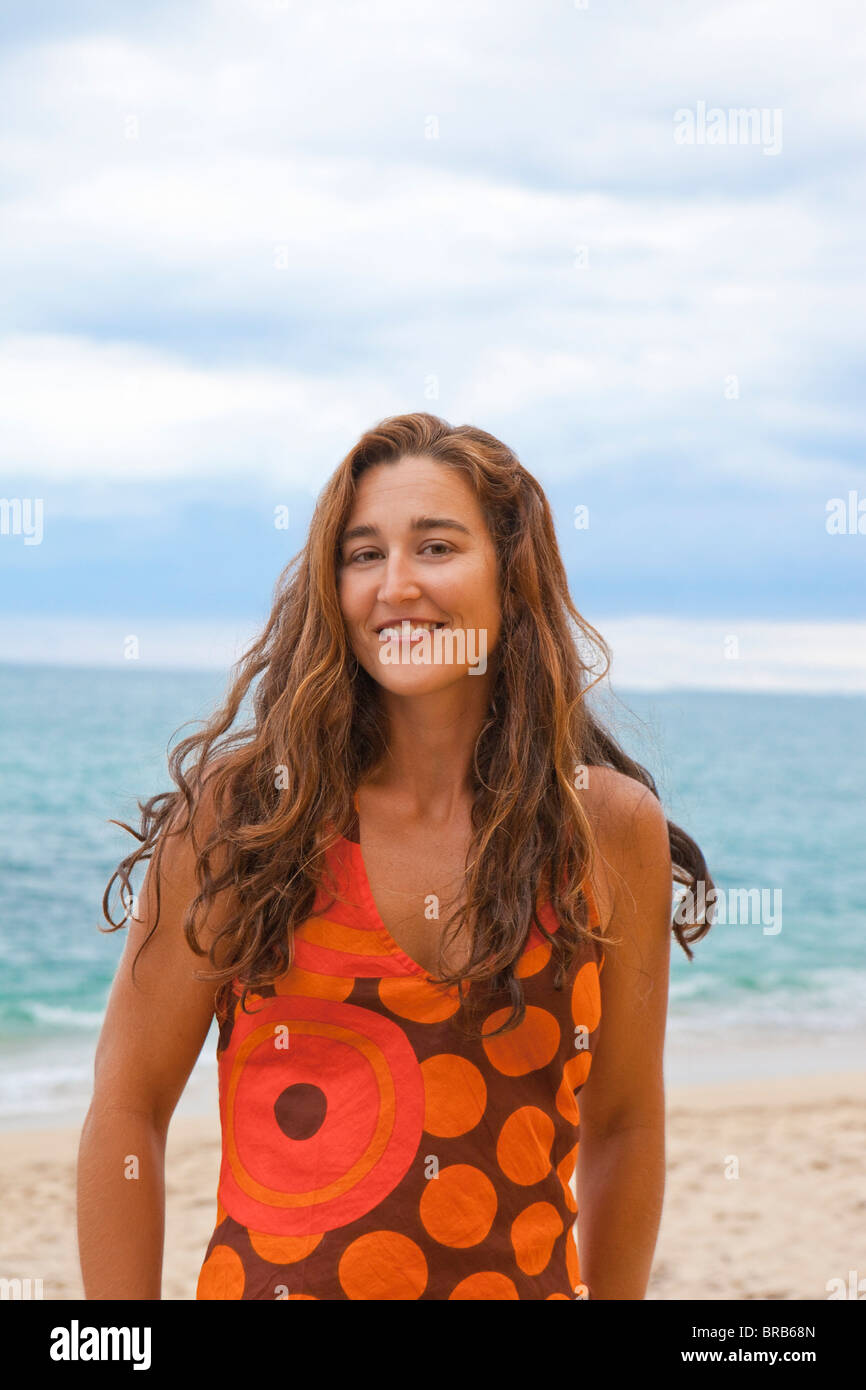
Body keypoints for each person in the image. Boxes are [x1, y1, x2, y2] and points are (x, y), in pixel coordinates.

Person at [78, 411, 714, 1300]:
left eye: (437, 547)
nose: (397, 585)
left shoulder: (604, 826)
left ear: (512, 577)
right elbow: (128, 1107)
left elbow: (626, 1127)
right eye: (364, 554)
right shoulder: (248, 813)